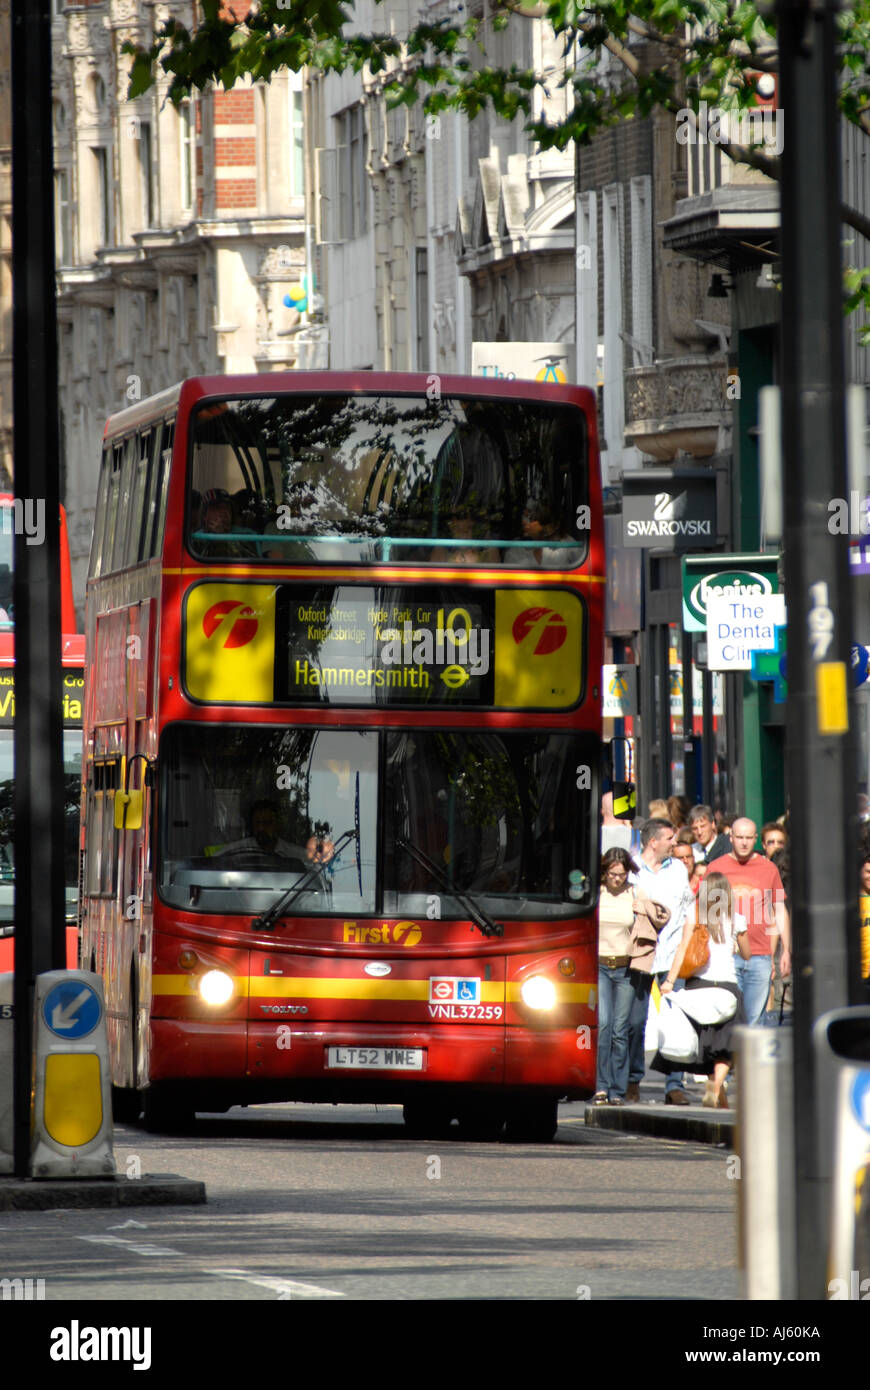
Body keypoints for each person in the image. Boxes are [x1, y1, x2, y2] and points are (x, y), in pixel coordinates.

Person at [661, 872, 751, 1108]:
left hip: (698, 986)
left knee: (707, 1044)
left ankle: (717, 1095)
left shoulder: (694, 915)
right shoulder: (737, 919)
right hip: (727, 987)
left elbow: (682, 949)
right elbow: (747, 954)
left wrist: (670, 981)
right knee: (727, 1045)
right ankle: (716, 1087)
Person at [593, 848, 667, 1105]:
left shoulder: (635, 892)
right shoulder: (596, 893)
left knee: (620, 1030)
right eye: (612, 874)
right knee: (603, 1026)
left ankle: (617, 1089)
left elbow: (660, 918)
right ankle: (601, 1086)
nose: (617, 879)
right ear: (604, 872)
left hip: (625, 969)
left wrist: (643, 911)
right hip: (600, 967)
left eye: (621, 874)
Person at [630, 817, 695, 1104]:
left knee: (674, 1023)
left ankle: (674, 1085)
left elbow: (688, 908)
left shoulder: (678, 869)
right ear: (653, 841)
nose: (675, 843)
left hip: (672, 956)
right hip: (639, 955)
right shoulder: (632, 869)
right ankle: (632, 1080)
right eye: (670, 838)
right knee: (634, 1021)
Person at [707, 817, 790, 1025]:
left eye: (748, 838)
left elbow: (778, 910)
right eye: (740, 837)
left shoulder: (768, 868)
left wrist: (785, 950)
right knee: (729, 1020)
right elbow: (705, 913)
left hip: (760, 955)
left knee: (755, 1020)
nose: (744, 842)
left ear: (755, 840)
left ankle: (752, 1059)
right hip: (726, 957)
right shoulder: (716, 867)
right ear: (731, 838)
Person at [218, 801, 305, 862]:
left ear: (278, 825)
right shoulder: (237, 850)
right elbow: (211, 863)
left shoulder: (295, 855)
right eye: (257, 823)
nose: (261, 828)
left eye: (267, 823)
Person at [195, 487, 260, 558]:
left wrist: (222, 538)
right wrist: (216, 538)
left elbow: (252, 560)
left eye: (227, 507)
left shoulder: (247, 535)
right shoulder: (195, 538)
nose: (224, 512)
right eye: (218, 508)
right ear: (205, 515)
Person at [673, 830, 703, 896]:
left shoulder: (704, 880)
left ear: (694, 858)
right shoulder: (670, 884)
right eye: (680, 858)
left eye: (688, 857)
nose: (685, 861)